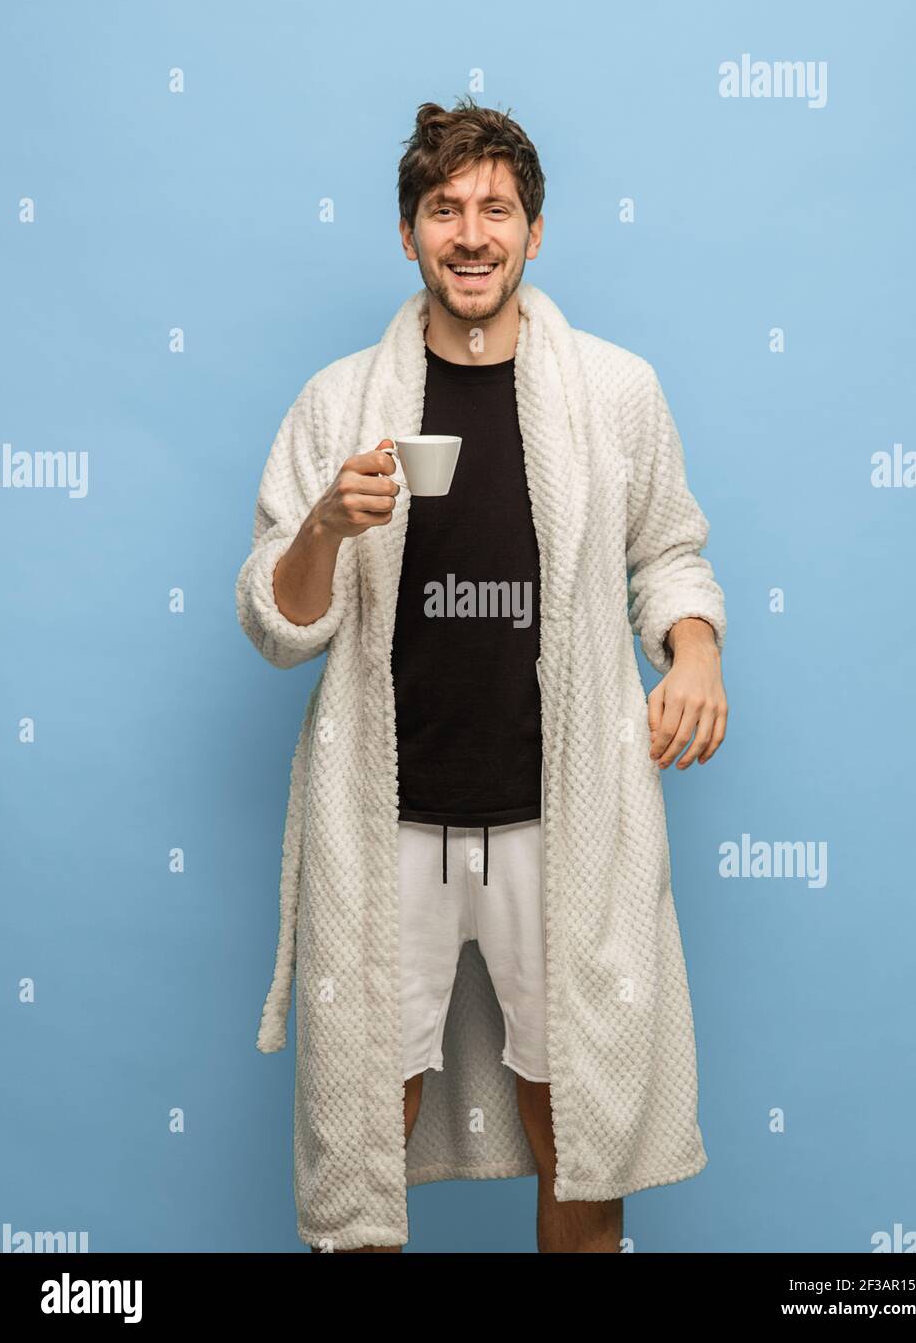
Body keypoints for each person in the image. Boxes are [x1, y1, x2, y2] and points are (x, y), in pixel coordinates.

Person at [235, 95, 728, 1253]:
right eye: (443, 209)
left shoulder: (614, 392)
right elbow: (276, 622)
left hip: (563, 822)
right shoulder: (337, 404)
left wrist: (694, 651)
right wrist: (321, 529)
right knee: (365, 1135)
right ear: (407, 233)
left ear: (535, 233)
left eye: (495, 209)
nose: (471, 233)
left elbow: (670, 552)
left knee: (584, 1139)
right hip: (386, 822)